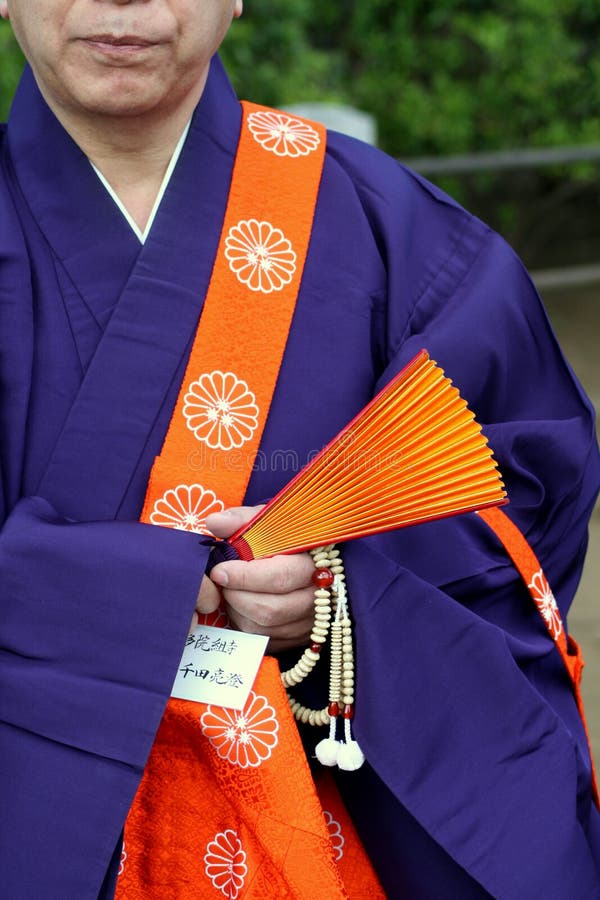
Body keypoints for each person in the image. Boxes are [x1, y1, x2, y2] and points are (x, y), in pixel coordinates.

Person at [1, 1, 599, 897]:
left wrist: (344, 600)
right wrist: (134, 594)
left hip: (321, 817)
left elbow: (519, 504)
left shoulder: (396, 236)